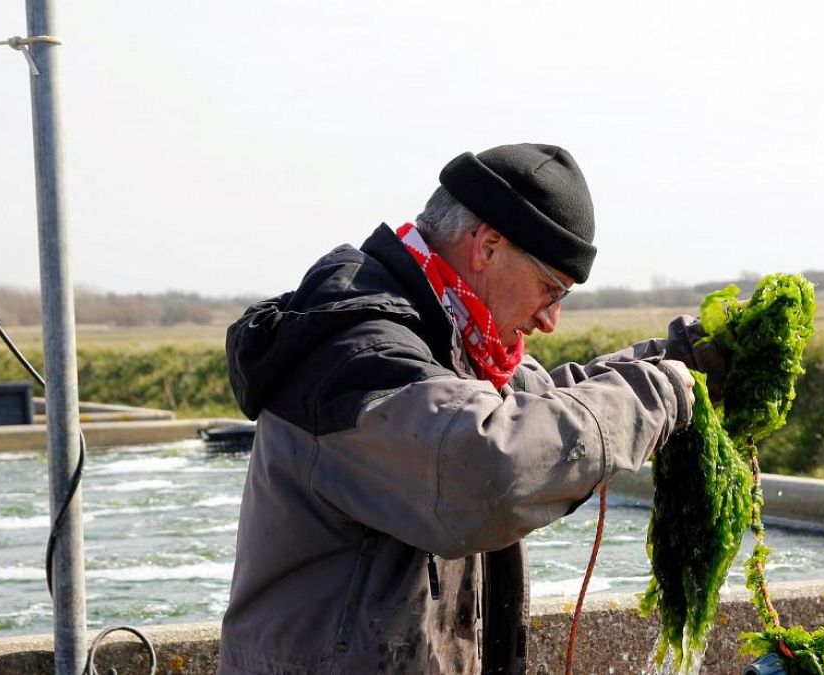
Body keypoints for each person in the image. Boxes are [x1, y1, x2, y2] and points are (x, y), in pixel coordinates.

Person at [218, 143, 724, 674]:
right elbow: (490, 466)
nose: (550, 320)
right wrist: (660, 393)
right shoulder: (356, 352)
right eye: (551, 290)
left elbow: (539, 402)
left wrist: (676, 358)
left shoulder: (445, 338)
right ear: (487, 245)